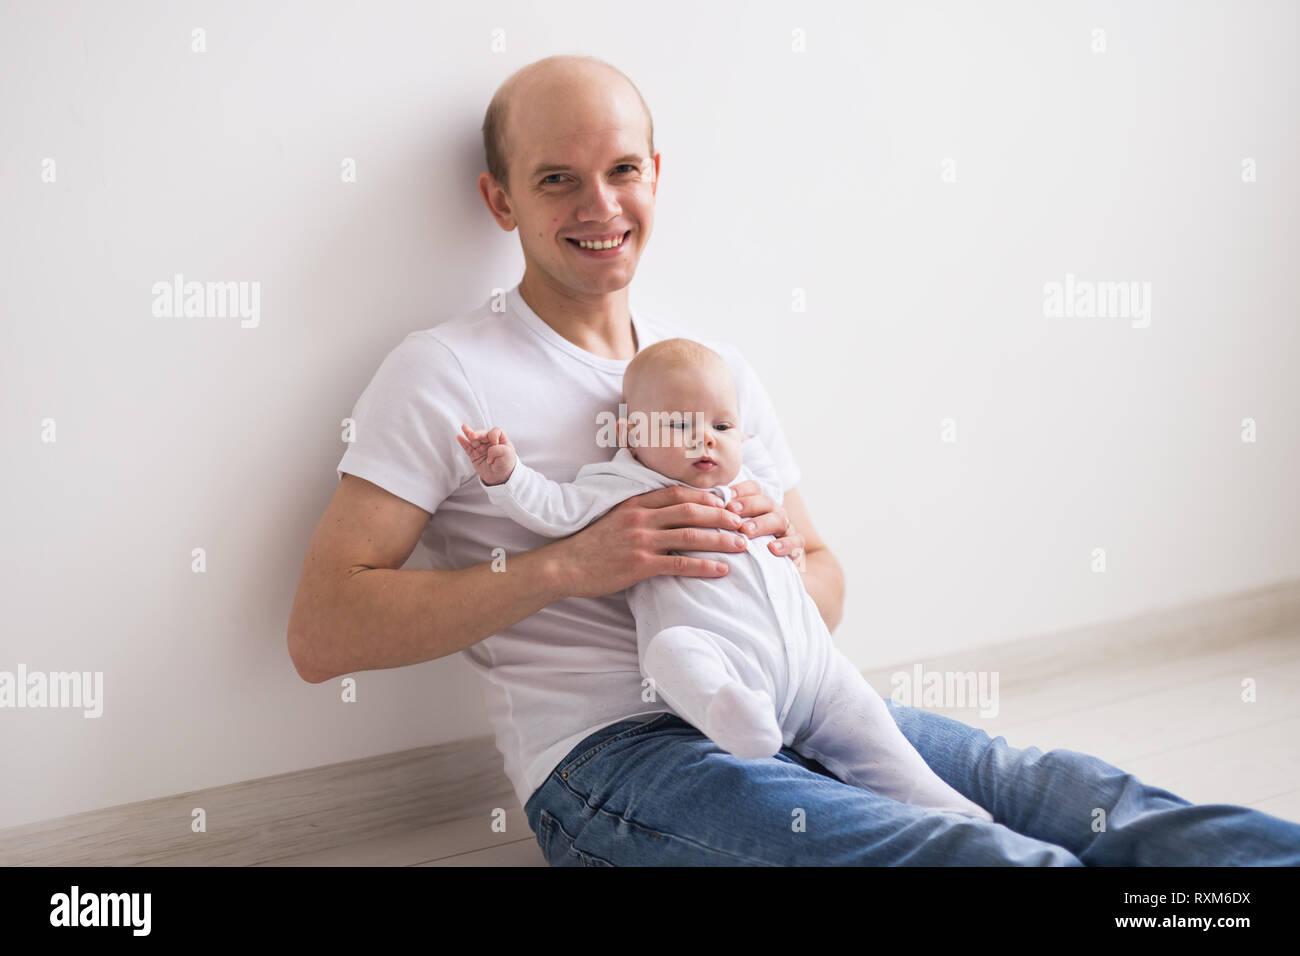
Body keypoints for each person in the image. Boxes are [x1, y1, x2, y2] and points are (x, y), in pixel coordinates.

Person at [287, 54, 1300, 865]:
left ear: (654, 175)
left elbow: (827, 579)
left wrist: (775, 556)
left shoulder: (707, 373)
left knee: (1085, 800)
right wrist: (569, 564)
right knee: (962, 851)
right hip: (614, 760)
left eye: (622, 169)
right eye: (556, 178)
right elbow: (322, 630)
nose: (598, 205)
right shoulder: (444, 373)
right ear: (500, 199)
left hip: (799, 695)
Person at [455, 337, 993, 821]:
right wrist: (506, 474)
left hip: (812, 669)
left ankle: (944, 805)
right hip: (726, 658)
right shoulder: (621, 483)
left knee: (876, 734)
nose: (705, 442)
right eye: (678, 425)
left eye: (720, 426)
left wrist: (785, 526)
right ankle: (729, 711)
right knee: (671, 649)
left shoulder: (753, 482)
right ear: (629, 434)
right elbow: (554, 508)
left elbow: (772, 479)